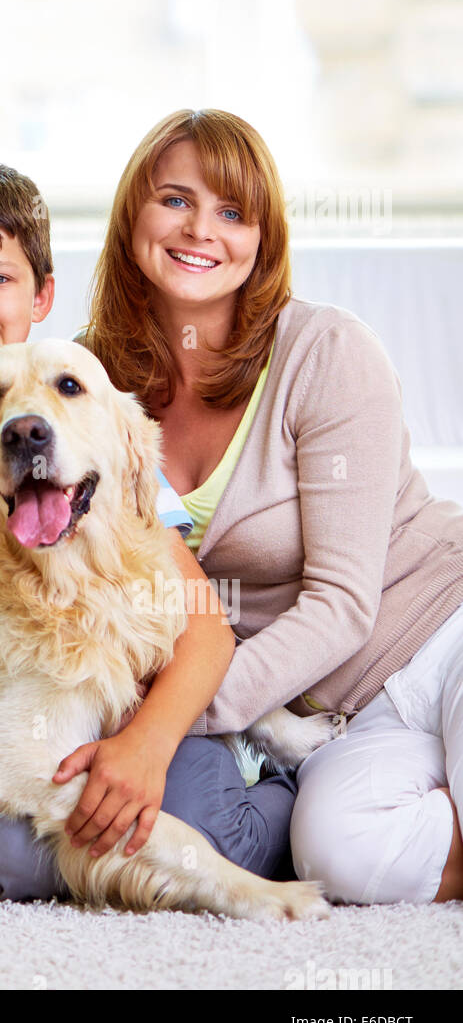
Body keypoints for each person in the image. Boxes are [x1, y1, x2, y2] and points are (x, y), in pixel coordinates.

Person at [0, 161, 290, 899]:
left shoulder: (104, 442)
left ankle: (271, 807)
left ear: (40, 294)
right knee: (1, 856)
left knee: (190, 813)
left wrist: (145, 745)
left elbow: (202, 624)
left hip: (128, 709)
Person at [83, 107, 463, 905]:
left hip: (441, 633)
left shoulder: (324, 351)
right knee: (337, 854)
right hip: (335, 718)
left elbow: (341, 605)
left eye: (231, 212)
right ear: (131, 217)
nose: (200, 230)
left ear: (262, 239)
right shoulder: (88, 380)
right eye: (174, 200)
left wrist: (165, 720)